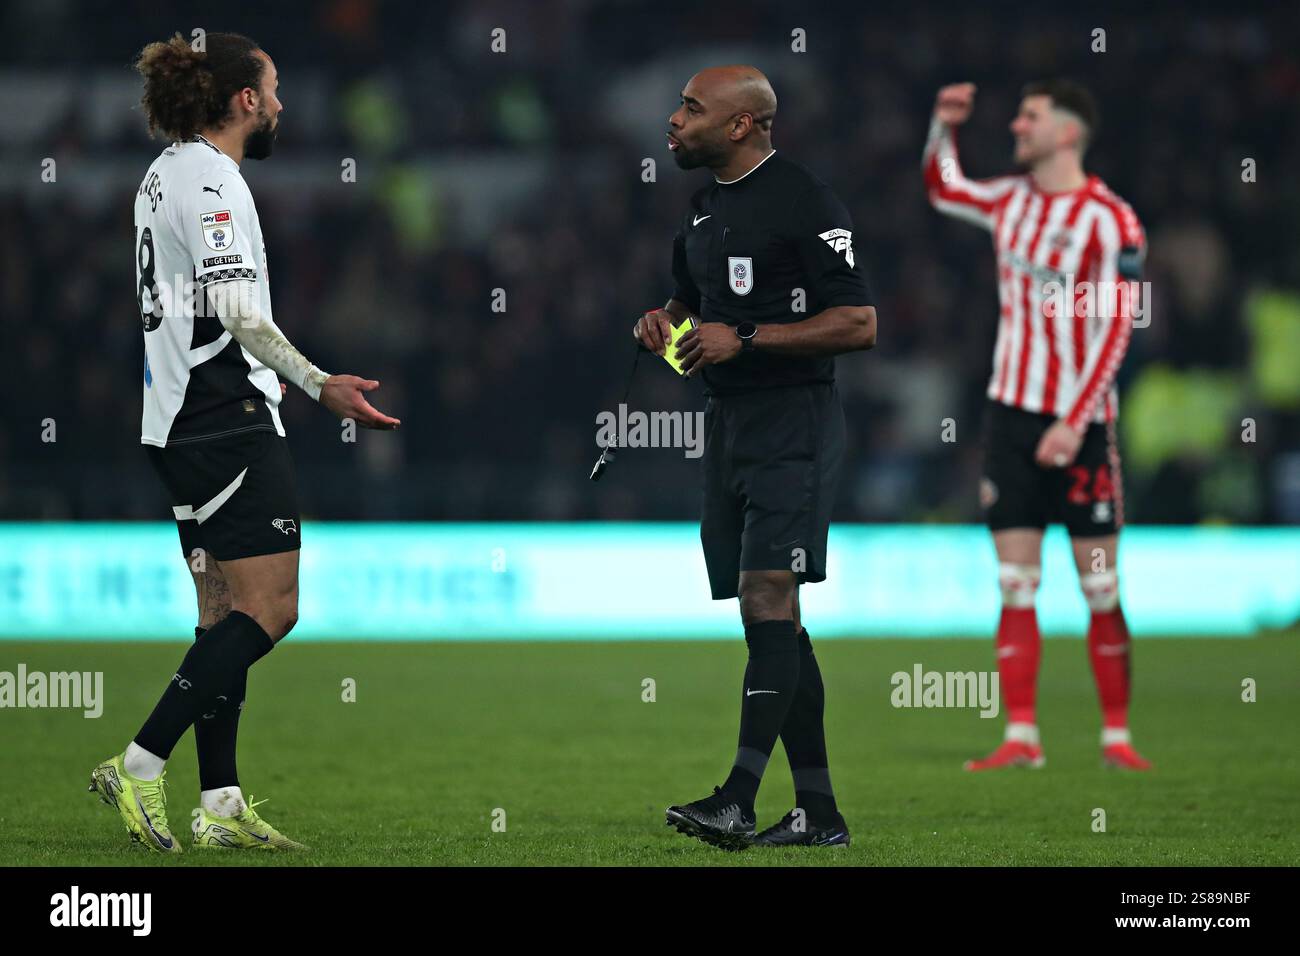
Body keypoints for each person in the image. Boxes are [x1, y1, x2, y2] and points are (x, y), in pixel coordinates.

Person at [89, 32, 400, 853]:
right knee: (273, 608)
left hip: (175, 418)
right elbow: (235, 310)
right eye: (274, 89)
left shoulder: (163, 173)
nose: (284, 105)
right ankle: (140, 762)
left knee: (220, 613)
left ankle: (220, 803)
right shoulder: (213, 180)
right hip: (222, 414)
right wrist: (317, 381)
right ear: (245, 101)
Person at [637, 65, 877, 849]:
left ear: (742, 125)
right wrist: (662, 324)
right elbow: (689, 313)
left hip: (794, 424)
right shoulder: (705, 208)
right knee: (770, 614)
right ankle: (818, 813)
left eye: (692, 108)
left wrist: (744, 339)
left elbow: (859, 322)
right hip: (730, 426)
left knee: (768, 594)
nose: (674, 120)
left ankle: (737, 796)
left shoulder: (804, 200)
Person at [922, 80, 1150, 771]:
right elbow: (944, 188)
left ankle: (1117, 737)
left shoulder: (1113, 221)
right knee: (1016, 583)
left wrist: (1075, 421)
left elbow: (1119, 327)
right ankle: (1022, 737)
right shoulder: (1012, 200)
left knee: (1099, 585)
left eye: (1032, 116)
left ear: (1069, 133)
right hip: (1012, 420)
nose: (1017, 124)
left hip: (1082, 424)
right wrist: (942, 128)